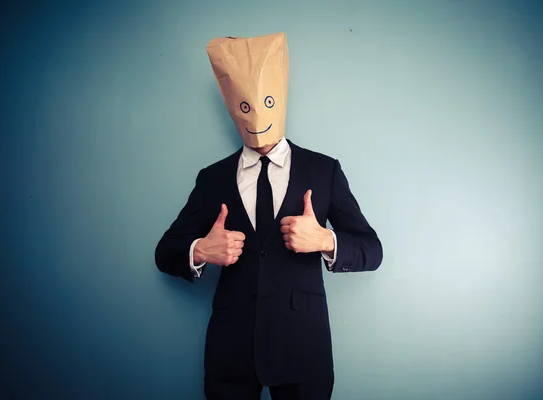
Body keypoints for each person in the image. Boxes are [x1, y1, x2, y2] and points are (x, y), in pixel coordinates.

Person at [155, 32, 383, 400]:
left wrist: (325, 240)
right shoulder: (212, 178)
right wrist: (200, 250)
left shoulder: (323, 170)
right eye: (245, 106)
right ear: (233, 107)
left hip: (303, 353)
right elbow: (164, 253)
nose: (255, 114)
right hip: (230, 355)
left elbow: (373, 250)